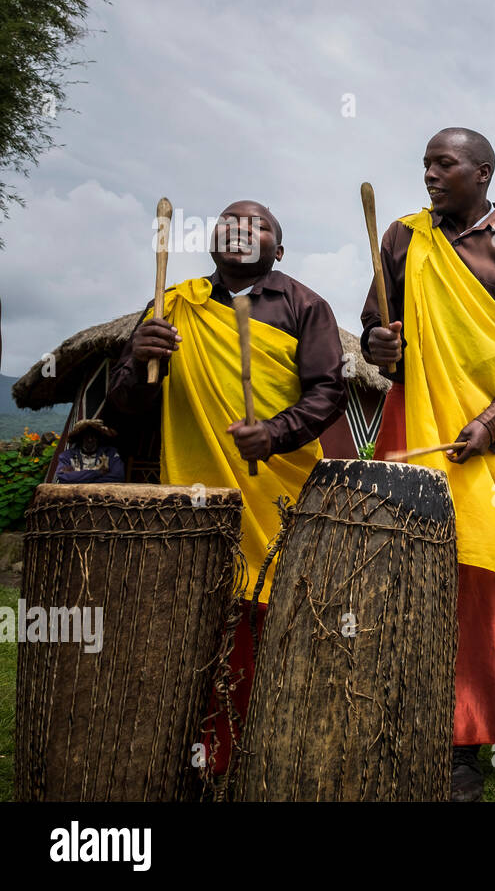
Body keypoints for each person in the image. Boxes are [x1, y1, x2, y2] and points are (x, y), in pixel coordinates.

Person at [109, 199, 347, 774]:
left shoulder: (304, 305)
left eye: (257, 223)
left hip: (277, 487)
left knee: (272, 613)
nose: (240, 228)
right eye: (229, 221)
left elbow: (327, 392)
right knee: (196, 620)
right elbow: (124, 410)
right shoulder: (172, 307)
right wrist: (141, 358)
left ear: (279, 249)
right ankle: (194, 751)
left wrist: (274, 433)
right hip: (192, 495)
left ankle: (275, 744)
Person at [361, 127, 495, 802]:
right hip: (410, 424)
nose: (430, 175)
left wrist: (491, 424)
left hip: (483, 441)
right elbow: (376, 331)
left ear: (484, 171)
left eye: (444, 164)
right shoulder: (402, 238)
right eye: (425, 164)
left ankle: (463, 745)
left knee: (475, 573)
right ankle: (387, 722)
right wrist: (381, 346)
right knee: (399, 570)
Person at [54, 419, 125, 483]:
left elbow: (118, 477)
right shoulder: (67, 456)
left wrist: (77, 477)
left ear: (98, 438)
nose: (90, 439)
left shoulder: (110, 453)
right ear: (80, 438)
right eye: (86, 436)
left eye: (93, 436)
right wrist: (98, 473)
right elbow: (63, 477)